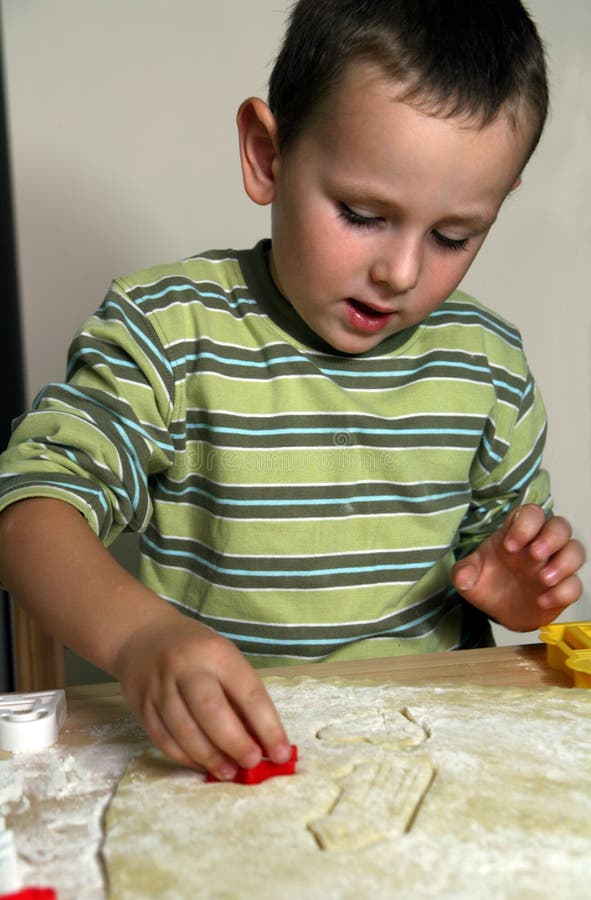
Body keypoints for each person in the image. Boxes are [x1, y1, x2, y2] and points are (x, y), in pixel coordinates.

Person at [0, 0, 585, 780]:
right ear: (267, 156)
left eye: (453, 236)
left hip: (425, 762)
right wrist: (140, 636)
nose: (401, 272)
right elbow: (29, 512)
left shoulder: (487, 365)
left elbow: (499, 568)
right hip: (229, 758)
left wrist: (514, 596)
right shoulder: (170, 332)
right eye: (362, 214)